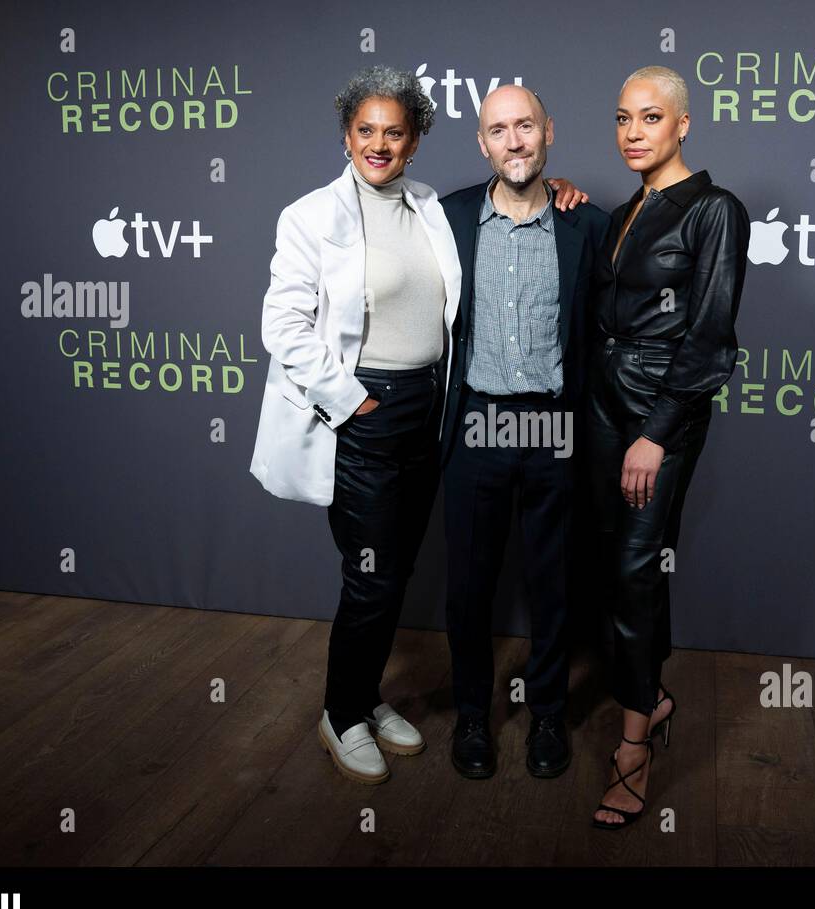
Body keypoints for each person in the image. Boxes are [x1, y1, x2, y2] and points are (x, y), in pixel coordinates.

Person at [249, 65, 586, 786]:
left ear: (415, 142)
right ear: (347, 136)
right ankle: (343, 715)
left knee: (396, 570)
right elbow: (283, 324)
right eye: (365, 131)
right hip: (364, 412)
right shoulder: (311, 215)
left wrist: (562, 193)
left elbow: (523, 211)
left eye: (393, 132)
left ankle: (366, 699)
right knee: (371, 577)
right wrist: (354, 403)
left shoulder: (433, 206)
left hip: (433, 411)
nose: (378, 144)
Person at [587, 66, 751, 827]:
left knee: (634, 569)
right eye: (623, 118)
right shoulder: (623, 211)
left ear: (684, 123)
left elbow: (711, 335)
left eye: (649, 118)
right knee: (610, 566)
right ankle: (650, 698)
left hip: (660, 412)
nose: (632, 133)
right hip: (598, 405)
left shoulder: (715, 210)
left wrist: (656, 433)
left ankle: (633, 746)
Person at [437, 85, 609, 780]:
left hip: (554, 426)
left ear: (549, 133)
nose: (514, 140)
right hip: (475, 419)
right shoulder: (446, 219)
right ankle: (474, 716)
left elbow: (608, 336)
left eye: (526, 126)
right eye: (498, 129)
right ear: (482, 143)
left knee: (553, 584)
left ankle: (546, 717)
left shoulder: (586, 225)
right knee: (469, 588)